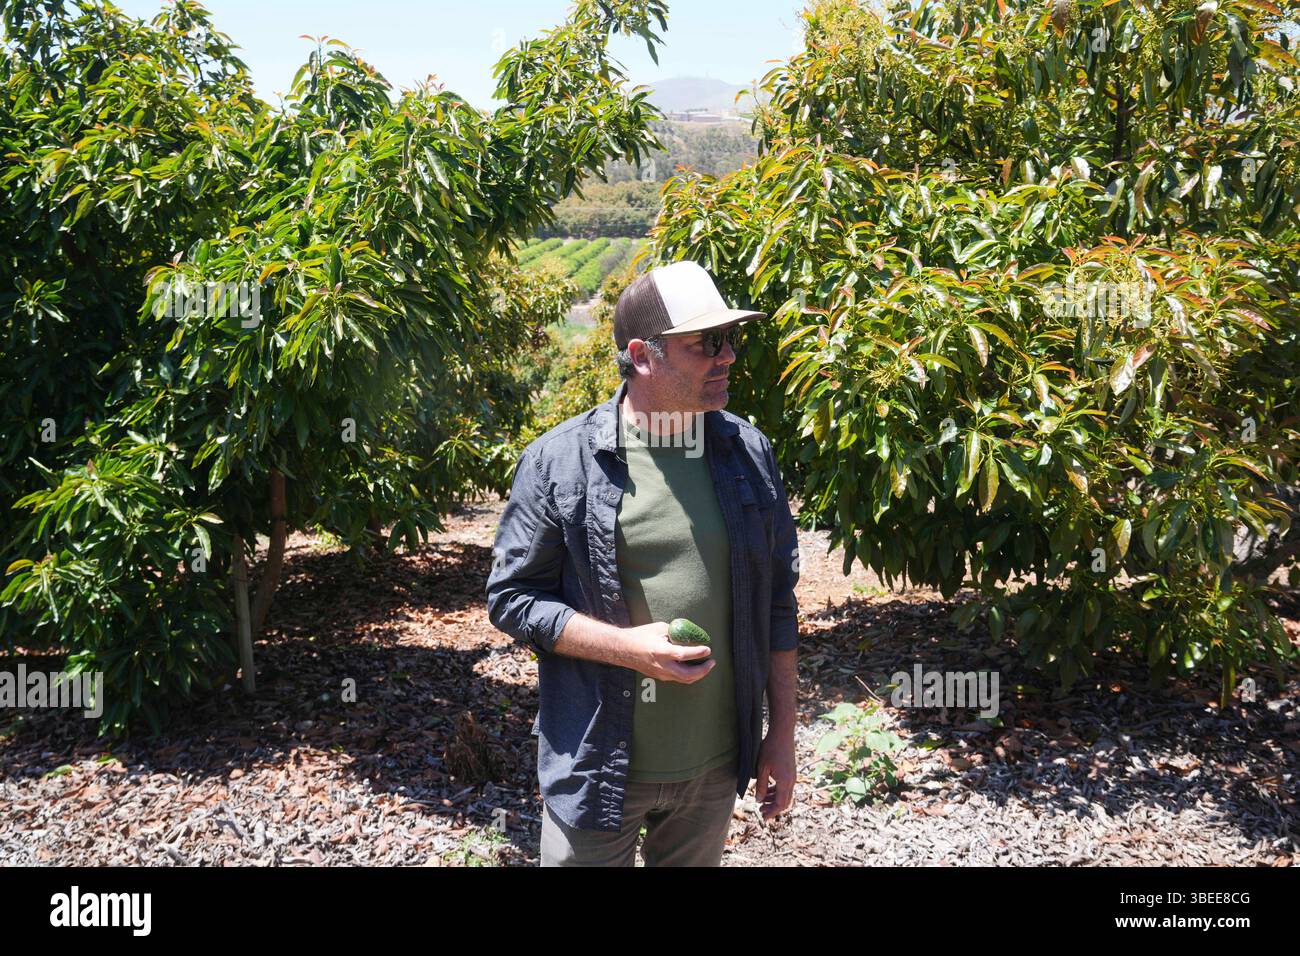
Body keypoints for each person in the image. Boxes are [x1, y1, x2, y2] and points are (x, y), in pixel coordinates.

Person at [486, 259, 800, 866]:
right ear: (642, 355)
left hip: (714, 769)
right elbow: (513, 598)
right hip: (599, 766)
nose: (728, 356)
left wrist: (780, 733)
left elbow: (777, 603)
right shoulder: (561, 462)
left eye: (728, 338)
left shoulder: (747, 452)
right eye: (706, 343)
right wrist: (626, 649)